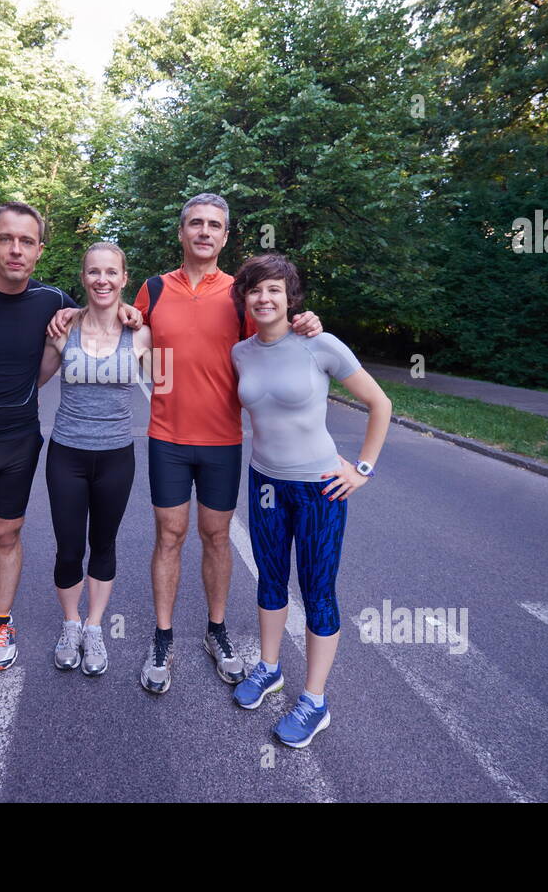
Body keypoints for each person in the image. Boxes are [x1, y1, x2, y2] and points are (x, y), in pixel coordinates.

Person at [0, 203, 142, 681]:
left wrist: (125, 308)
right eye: (5, 238)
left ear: (40, 250)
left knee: (6, 535)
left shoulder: (53, 303)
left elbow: (94, 311)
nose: (15, 249)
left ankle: (2, 624)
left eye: (26, 241)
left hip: (21, 443)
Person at [129, 194, 321, 695]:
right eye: (195, 223)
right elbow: (128, 336)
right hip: (166, 437)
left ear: (226, 236)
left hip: (221, 440)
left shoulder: (241, 294)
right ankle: (163, 636)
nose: (204, 232)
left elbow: (274, 335)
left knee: (216, 536)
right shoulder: (152, 289)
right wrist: (69, 316)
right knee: (169, 536)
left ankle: (217, 631)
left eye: (215, 225)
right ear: (181, 231)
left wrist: (308, 324)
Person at [229, 254, 391, 748]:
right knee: (269, 580)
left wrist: (362, 469)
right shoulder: (241, 352)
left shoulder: (319, 344)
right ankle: (269, 669)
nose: (264, 298)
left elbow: (380, 403)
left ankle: (314, 702)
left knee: (318, 591)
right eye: (255, 290)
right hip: (264, 483)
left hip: (320, 486)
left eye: (274, 290)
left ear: (290, 297)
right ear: (246, 298)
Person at [37, 243, 152, 675]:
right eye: (93, 272)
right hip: (66, 453)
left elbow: (172, 382)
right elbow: (31, 382)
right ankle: (70, 624)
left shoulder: (140, 334)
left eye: (111, 272)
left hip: (116, 457)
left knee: (103, 545)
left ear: (124, 278)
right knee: (69, 548)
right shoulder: (63, 328)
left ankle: (94, 627)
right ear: (83, 279)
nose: (102, 279)